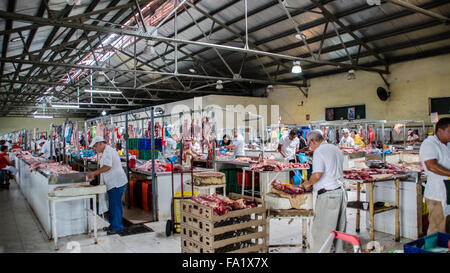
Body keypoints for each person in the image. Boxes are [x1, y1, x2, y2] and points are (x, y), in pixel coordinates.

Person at [300, 130, 347, 253]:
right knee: (338, 233)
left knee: (322, 233)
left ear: (313, 141)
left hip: (328, 196)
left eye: (310, 144)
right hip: (340, 192)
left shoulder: (319, 151)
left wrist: (308, 183)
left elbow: (317, 175)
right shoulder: (334, 148)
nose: (310, 147)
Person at [87, 136, 128, 234]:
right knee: (113, 205)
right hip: (113, 183)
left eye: (96, 146)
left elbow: (107, 167)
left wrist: (94, 173)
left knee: (115, 205)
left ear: (101, 143)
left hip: (116, 183)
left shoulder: (108, 152)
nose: (95, 149)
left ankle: (117, 227)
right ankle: (113, 224)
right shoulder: (106, 151)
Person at [419, 118, 450, 234]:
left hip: (448, 191)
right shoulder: (429, 144)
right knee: (437, 227)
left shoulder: (447, 145)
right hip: (437, 194)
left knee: (447, 226)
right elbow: (431, 166)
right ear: (440, 131)